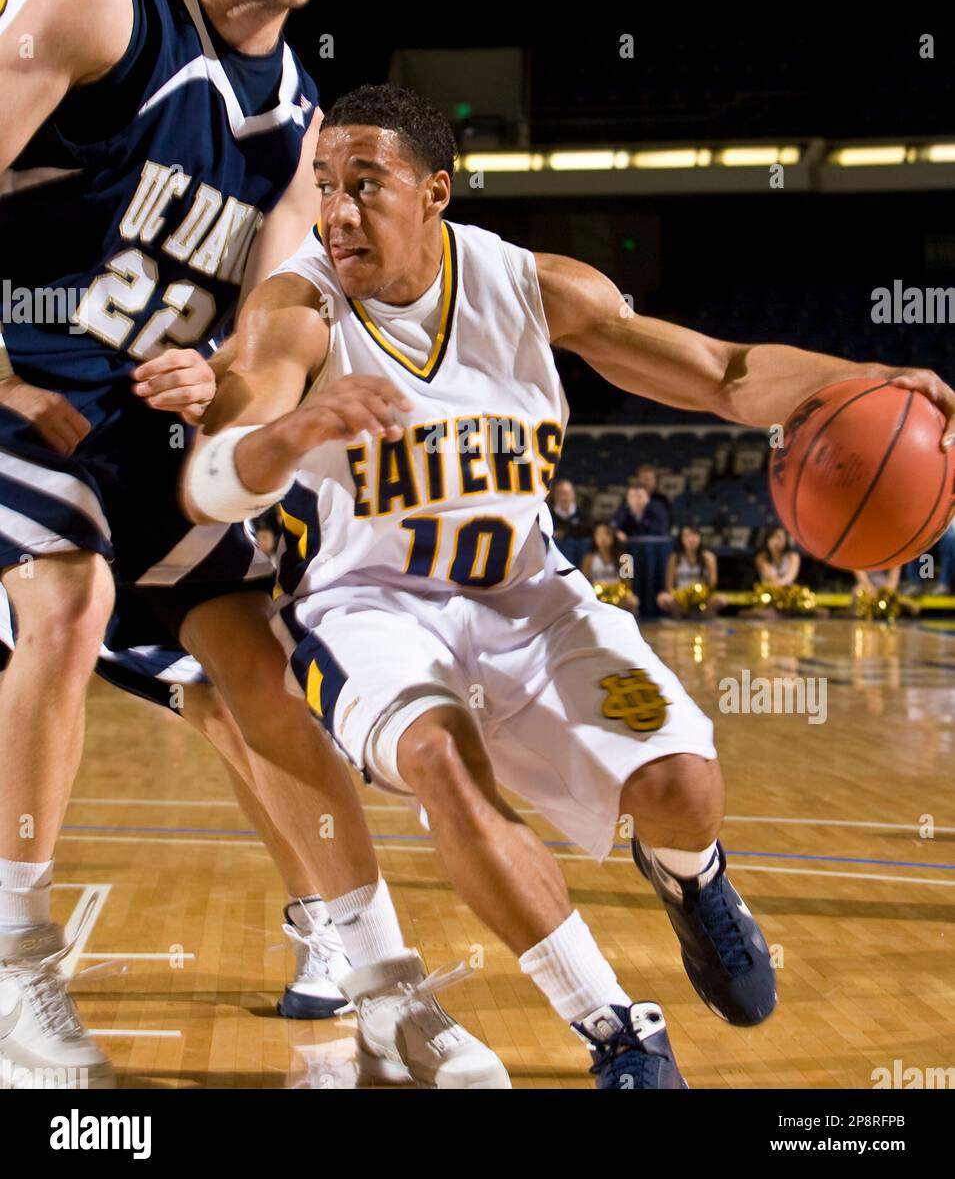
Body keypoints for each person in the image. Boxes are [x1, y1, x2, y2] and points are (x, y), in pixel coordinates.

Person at [182, 83, 954, 1086]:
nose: (334, 210)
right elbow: (211, 479)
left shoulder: (530, 285)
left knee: (681, 787)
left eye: (363, 185)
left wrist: (858, 380)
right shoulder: (299, 307)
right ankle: (618, 1031)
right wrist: (287, 433)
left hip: (527, 596)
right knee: (436, 757)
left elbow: (720, 375)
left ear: (435, 194)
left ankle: (691, 874)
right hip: (366, 606)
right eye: (325, 184)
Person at [0, 0, 503, 1091]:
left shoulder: (297, 120)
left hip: (128, 424)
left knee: (262, 685)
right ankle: (14, 970)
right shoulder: (98, 10)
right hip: (18, 387)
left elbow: (247, 348)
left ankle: (384, 985)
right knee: (65, 591)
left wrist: (217, 383)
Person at [657, 525, 726, 618]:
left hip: (702, 597)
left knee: (721, 599)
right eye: (687, 536)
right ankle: (684, 614)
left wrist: (700, 593)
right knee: (662, 598)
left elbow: (713, 584)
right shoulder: (675, 557)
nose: (691, 539)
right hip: (681, 597)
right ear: (681, 539)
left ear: (700, 537)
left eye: (694, 535)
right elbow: (669, 586)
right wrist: (681, 596)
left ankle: (698, 614)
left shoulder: (709, 557)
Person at [581, 522, 638, 613]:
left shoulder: (626, 558)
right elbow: (585, 584)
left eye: (606, 533)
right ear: (594, 538)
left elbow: (628, 586)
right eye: (599, 534)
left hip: (619, 597)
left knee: (633, 601)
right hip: (597, 597)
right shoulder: (588, 559)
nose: (603, 537)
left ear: (613, 537)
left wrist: (616, 594)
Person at [547, 477, 590, 543]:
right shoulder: (548, 514)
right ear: (554, 495)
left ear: (573, 494)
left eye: (566, 493)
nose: (563, 497)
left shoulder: (583, 514)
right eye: (559, 493)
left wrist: (564, 533)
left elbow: (587, 531)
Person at [635, 464, 671, 532]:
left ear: (655, 481)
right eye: (643, 479)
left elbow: (668, 523)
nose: (646, 483)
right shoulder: (630, 499)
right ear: (638, 480)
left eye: (649, 479)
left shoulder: (663, 500)